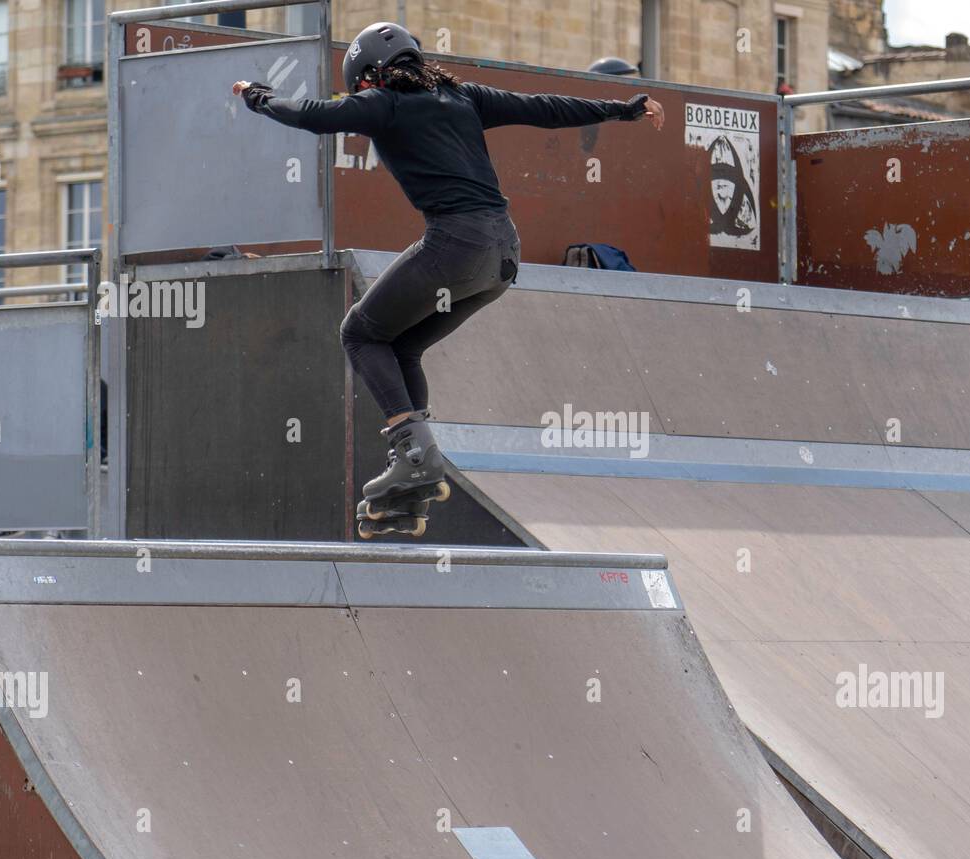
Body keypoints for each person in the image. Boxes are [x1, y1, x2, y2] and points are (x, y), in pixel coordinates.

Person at [233, 23, 664, 536]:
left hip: (456, 245)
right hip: (503, 254)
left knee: (360, 333)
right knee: (401, 346)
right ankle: (416, 479)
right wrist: (621, 109)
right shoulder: (465, 96)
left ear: (369, 75)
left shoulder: (382, 104)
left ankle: (415, 456)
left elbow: (311, 116)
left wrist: (256, 96)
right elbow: (546, 109)